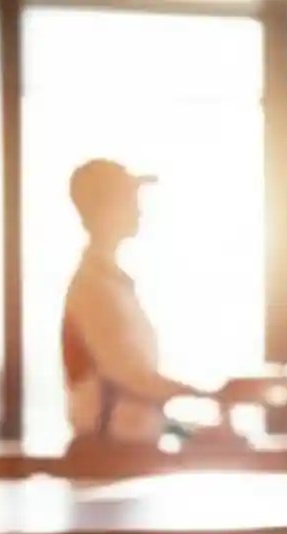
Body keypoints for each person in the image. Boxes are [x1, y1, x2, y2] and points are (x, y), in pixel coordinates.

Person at [62, 158, 222, 446]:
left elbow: (132, 394)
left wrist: (184, 429)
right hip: (108, 457)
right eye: (128, 198)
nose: (138, 209)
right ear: (103, 209)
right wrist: (209, 395)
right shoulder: (94, 290)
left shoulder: (112, 283)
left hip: (128, 450)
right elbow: (133, 379)